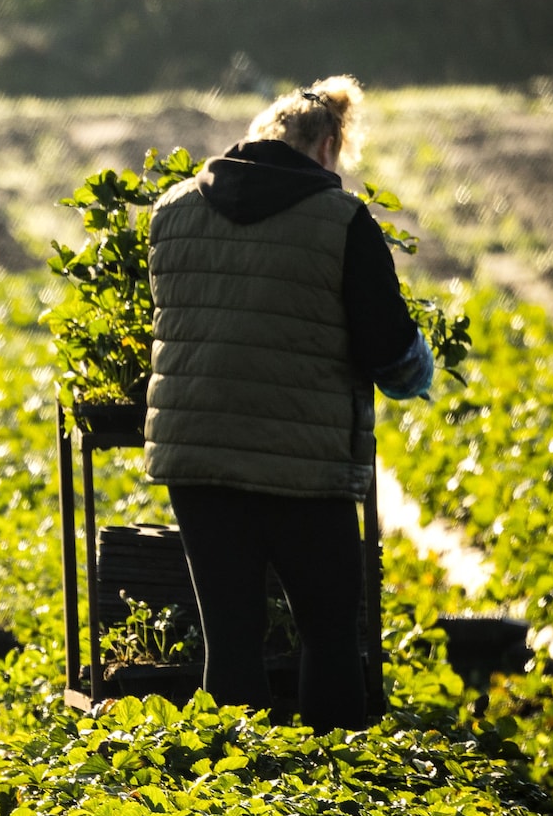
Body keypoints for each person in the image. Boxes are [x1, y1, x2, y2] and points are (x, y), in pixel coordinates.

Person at [146, 76, 434, 730]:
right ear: (330, 144)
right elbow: (387, 350)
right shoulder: (342, 220)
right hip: (303, 460)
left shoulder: (171, 211)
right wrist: (419, 369)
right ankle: (335, 782)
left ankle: (237, 788)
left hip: (197, 458)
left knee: (231, 637)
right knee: (330, 634)